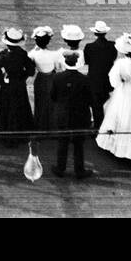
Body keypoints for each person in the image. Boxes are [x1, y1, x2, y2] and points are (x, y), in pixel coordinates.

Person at [52, 49, 93, 178]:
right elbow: (90, 99)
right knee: (79, 144)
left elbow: (53, 96)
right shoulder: (84, 79)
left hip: (63, 115)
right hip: (80, 116)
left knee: (62, 142)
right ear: (76, 62)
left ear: (65, 61)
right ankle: (79, 170)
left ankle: (60, 168)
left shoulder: (57, 77)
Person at [0, 28, 35, 144]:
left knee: (7, 110)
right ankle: (21, 136)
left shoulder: (3, 56)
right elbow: (31, 71)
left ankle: (7, 137)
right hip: (19, 86)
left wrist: (2, 79)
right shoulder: (22, 54)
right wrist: (21, 77)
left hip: (7, 87)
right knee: (20, 109)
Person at [84, 21, 118, 128]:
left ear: (95, 33)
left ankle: (98, 127)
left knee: (96, 105)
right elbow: (113, 58)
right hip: (108, 79)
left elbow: (87, 61)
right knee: (109, 104)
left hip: (94, 79)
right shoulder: (112, 45)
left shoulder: (89, 47)